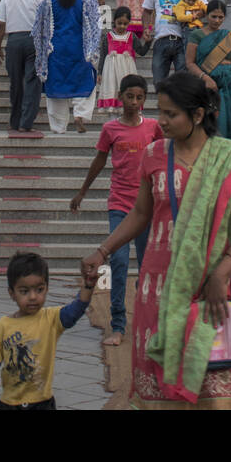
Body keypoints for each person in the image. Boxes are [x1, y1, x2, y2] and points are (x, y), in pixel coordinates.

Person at [81, 72, 231, 410]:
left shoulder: (230, 157)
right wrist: (103, 251)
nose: (161, 121)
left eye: (171, 114)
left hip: (211, 285)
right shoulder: (153, 155)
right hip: (158, 287)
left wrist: (223, 271)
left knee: (212, 382)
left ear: (197, 115)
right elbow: (139, 214)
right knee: (158, 386)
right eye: (160, 112)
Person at [71, 74, 162, 346]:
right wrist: (83, 191)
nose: (134, 102)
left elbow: (165, 156)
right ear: (120, 97)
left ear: (145, 100)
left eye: (139, 97)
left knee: (148, 265)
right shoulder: (111, 129)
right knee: (119, 262)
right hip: (120, 205)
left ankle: (148, 323)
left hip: (148, 207)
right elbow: (99, 160)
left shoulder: (154, 128)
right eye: (129, 96)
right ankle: (118, 324)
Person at [0, 251, 95, 410]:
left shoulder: (51, 319)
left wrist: (88, 285)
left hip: (43, 402)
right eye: (24, 291)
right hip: (10, 404)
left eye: (39, 289)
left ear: (46, 288)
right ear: (12, 293)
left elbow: (76, 309)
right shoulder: (1, 327)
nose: (33, 297)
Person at [32, 0, 101, 134]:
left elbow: (37, 29)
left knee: (56, 89)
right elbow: (95, 27)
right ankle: (80, 114)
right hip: (80, 51)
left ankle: (58, 127)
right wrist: (93, 51)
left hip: (55, 51)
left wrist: (40, 52)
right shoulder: (87, 0)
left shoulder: (48, 1)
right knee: (85, 83)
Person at [185, 1, 231, 145]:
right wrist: (205, 78)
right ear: (206, 16)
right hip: (209, 86)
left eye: (221, 17)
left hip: (230, 85)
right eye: (213, 16)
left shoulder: (228, 37)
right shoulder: (197, 35)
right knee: (216, 122)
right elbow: (190, 63)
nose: (217, 21)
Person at [142, 0, 206, 85]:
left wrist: (192, 16)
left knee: (183, 83)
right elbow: (147, 11)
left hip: (184, 40)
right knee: (159, 81)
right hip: (161, 39)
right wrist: (146, 29)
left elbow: (205, 8)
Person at [0, 0, 44, 136]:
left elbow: (0, 24)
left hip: (13, 41)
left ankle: (14, 122)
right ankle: (26, 123)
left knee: (15, 83)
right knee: (32, 82)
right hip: (34, 42)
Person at [96, 6, 151, 111]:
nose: (122, 26)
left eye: (125, 24)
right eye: (119, 23)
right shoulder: (107, 37)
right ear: (114, 21)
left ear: (129, 23)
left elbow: (142, 52)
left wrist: (148, 42)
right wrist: (99, 73)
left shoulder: (132, 36)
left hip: (127, 71)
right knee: (113, 91)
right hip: (111, 72)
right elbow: (103, 56)